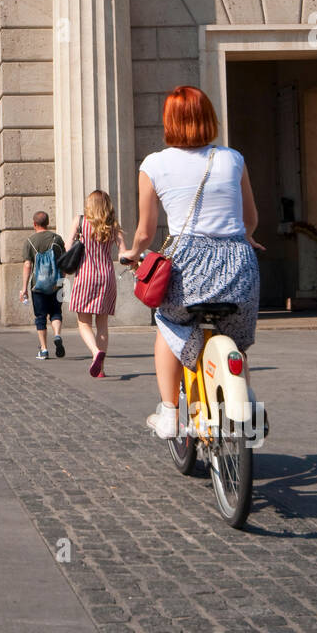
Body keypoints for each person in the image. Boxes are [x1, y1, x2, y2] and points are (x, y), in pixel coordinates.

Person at [120, 85, 263, 438]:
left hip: (187, 268)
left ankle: (170, 412)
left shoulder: (153, 164)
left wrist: (133, 253)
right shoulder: (233, 159)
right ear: (208, 118)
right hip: (239, 266)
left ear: (169, 121)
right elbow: (250, 219)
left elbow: (145, 231)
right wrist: (245, 239)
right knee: (235, 337)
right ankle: (244, 402)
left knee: (168, 326)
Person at [66, 191, 129, 379]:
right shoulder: (113, 226)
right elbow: (123, 254)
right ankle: (100, 369)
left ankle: (95, 352)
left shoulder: (80, 221)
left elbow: (68, 248)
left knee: (83, 322)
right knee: (102, 324)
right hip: (106, 276)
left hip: (85, 275)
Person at [20, 211, 65, 360]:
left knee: (40, 316)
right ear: (48, 222)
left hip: (37, 285)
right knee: (56, 312)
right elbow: (63, 262)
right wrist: (62, 280)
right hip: (57, 283)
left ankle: (44, 350)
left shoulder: (30, 241)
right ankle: (57, 335)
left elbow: (27, 265)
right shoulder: (57, 239)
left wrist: (24, 288)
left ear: (34, 224)